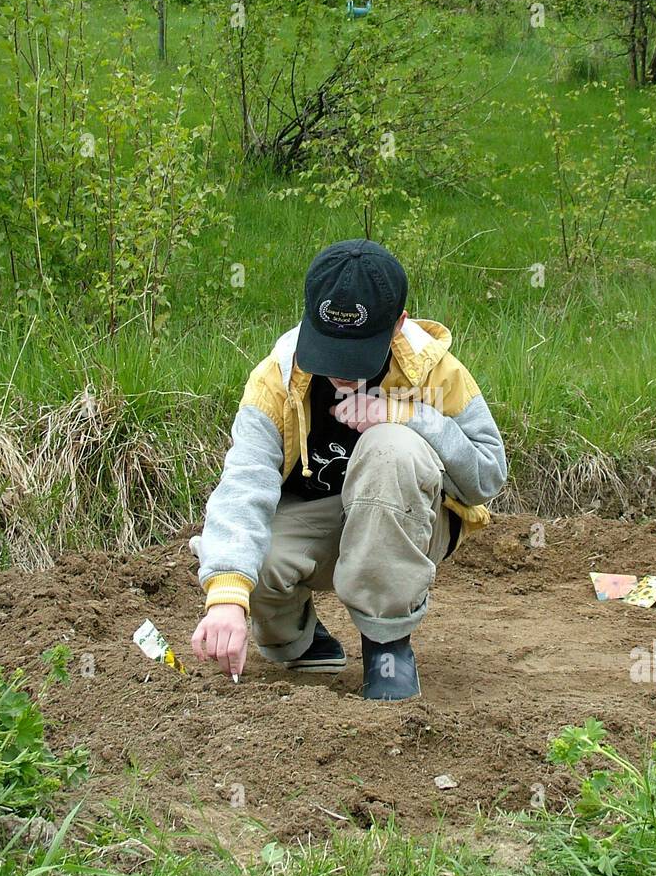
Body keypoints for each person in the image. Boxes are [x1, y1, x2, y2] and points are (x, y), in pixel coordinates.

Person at [190, 239, 507, 700]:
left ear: (398, 324)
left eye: (355, 351)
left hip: (412, 521)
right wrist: (225, 598)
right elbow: (244, 484)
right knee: (248, 557)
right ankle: (296, 642)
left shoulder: (435, 371)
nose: (339, 370)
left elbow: (487, 478)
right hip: (323, 519)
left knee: (389, 447)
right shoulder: (274, 380)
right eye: (329, 349)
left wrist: (408, 417)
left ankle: (386, 645)